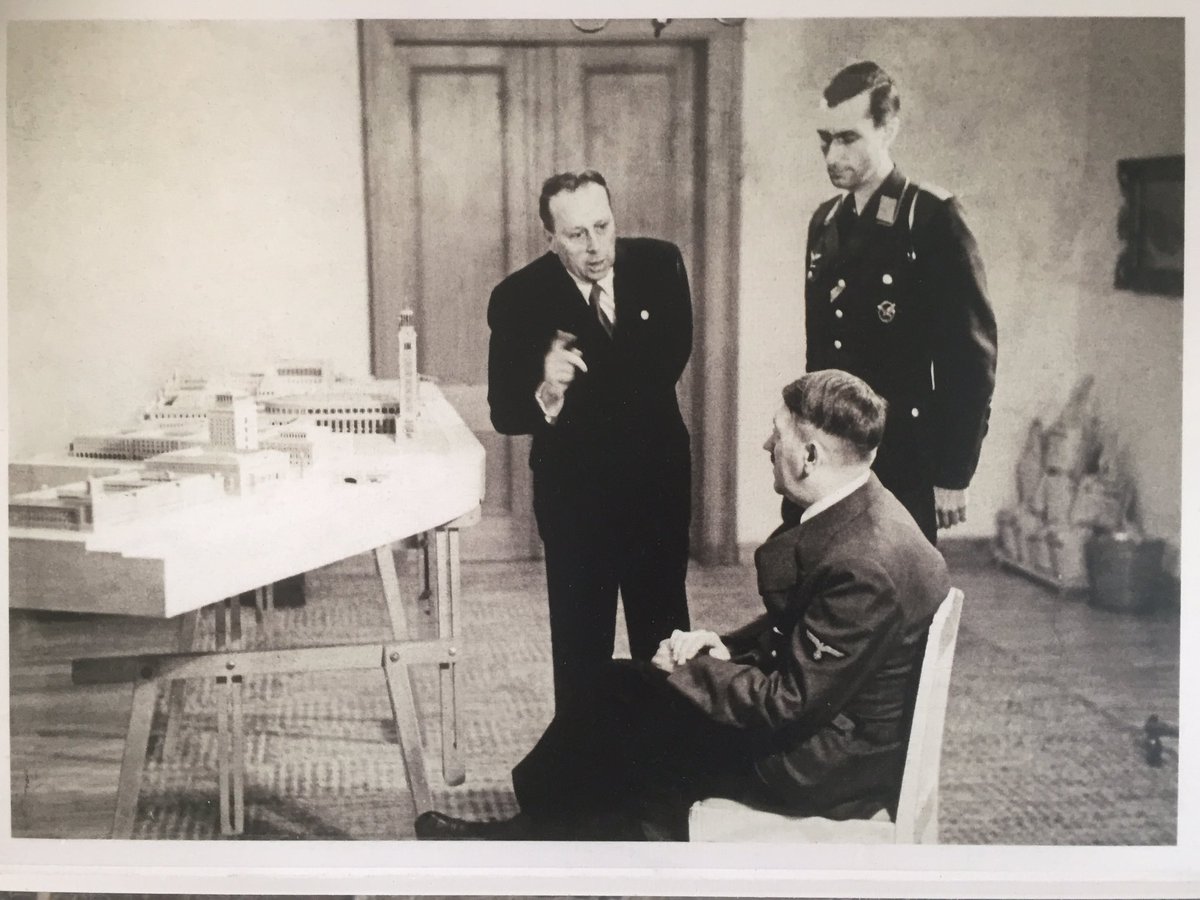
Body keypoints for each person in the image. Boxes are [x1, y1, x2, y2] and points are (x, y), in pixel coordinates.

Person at [415, 370, 950, 841]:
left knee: (634, 723)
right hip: (829, 730)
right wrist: (725, 646)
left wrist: (694, 673)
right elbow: (809, 630)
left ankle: (552, 841)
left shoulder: (865, 567)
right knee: (617, 687)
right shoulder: (864, 508)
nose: (767, 445)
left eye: (778, 434)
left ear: (811, 456)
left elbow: (785, 703)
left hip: (818, 765)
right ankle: (534, 827)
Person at [486, 170, 693, 709]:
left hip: (656, 486)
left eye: (603, 226)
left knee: (666, 639)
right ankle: (583, 784)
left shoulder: (661, 266)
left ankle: (669, 774)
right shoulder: (517, 299)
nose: (596, 246)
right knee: (581, 648)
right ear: (551, 236)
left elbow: (664, 365)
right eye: (576, 234)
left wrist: (587, 385)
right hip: (575, 498)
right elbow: (506, 412)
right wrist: (547, 387)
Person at [801, 61, 998, 543]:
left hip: (903, 454)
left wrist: (953, 472)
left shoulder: (929, 218)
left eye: (848, 138)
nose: (832, 155)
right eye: (826, 140)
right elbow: (820, 353)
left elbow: (969, 359)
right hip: (833, 451)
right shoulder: (825, 223)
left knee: (900, 597)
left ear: (889, 129)